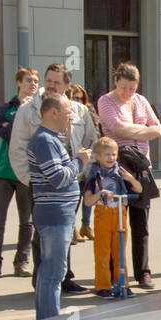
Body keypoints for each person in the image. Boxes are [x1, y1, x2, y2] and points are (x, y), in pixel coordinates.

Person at [9, 62, 95, 293]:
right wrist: (34, 180)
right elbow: (17, 149)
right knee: (44, 233)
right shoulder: (28, 111)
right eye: (48, 81)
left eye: (57, 82)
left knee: (65, 231)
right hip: (43, 183)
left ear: (67, 86)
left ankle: (63, 278)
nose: (51, 86)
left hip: (70, 181)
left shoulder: (79, 111)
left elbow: (90, 142)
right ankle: (43, 279)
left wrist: (82, 173)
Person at [96, 63, 161, 288]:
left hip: (142, 167)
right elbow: (116, 128)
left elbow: (158, 129)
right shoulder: (106, 101)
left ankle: (143, 272)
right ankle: (117, 273)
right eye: (124, 87)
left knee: (141, 224)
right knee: (117, 224)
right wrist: (143, 132)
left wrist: (131, 129)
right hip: (118, 167)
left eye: (131, 89)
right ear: (116, 81)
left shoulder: (141, 101)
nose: (127, 93)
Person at [27, 94, 91, 320]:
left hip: (57, 214)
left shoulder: (51, 138)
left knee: (51, 270)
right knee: (54, 272)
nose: (71, 117)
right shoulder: (45, 140)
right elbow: (58, 178)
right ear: (52, 112)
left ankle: (46, 319)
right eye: (67, 111)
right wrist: (80, 161)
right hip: (54, 215)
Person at [0, 66, 38, 279]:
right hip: (4, 171)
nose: (32, 84)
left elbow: (34, 133)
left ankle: (21, 262)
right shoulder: (5, 108)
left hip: (26, 172)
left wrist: (21, 121)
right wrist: (20, 116)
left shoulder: (38, 108)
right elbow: (6, 133)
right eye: (28, 80)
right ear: (19, 82)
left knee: (27, 221)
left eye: (35, 81)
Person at [82, 137, 141, 296]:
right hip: (103, 214)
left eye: (114, 154)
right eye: (107, 155)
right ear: (98, 156)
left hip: (119, 213)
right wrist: (99, 194)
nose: (111, 158)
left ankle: (122, 283)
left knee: (120, 252)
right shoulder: (94, 175)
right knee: (102, 252)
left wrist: (130, 179)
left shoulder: (120, 172)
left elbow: (139, 189)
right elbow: (87, 201)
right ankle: (103, 286)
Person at [66, 82, 102, 241]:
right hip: (73, 160)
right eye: (74, 98)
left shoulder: (89, 112)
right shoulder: (67, 112)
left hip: (90, 158)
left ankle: (86, 225)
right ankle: (72, 227)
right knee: (75, 196)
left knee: (88, 192)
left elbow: (95, 135)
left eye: (81, 98)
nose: (78, 101)